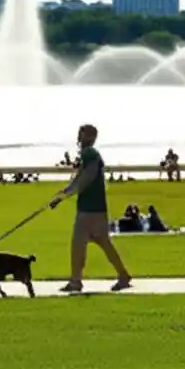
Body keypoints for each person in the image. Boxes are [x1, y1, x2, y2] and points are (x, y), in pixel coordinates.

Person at [49, 124, 132, 293]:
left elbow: (85, 179)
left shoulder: (90, 154)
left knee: (78, 244)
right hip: (97, 208)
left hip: (89, 209)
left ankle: (76, 281)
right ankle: (122, 274)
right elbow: (81, 177)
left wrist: (65, 195)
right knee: (104, 243)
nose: (79, 138)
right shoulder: (89, 154)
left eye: (82, 134)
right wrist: (64, 192)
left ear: (89, 137)